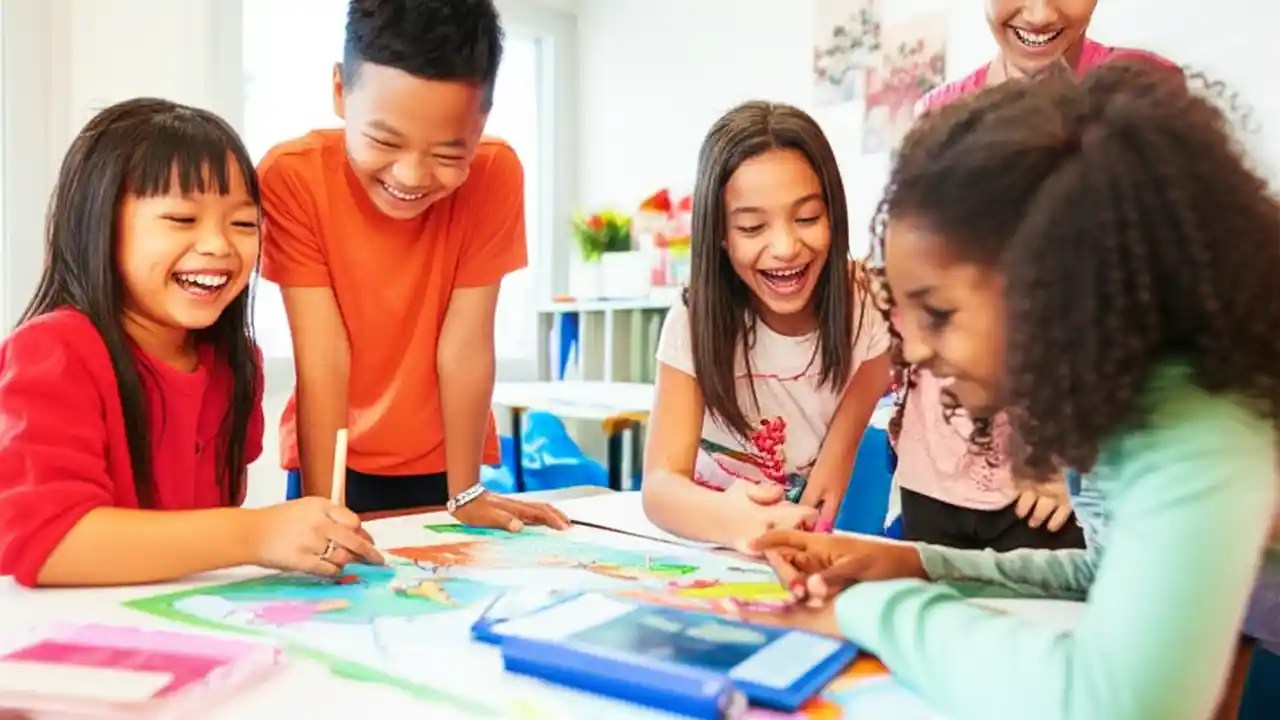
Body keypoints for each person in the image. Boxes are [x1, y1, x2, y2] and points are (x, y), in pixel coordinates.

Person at [749, 62, 1280, 719]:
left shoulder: (1198, 423)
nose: (914, 351)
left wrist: (866, 608)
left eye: (938, 313)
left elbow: (1114, 707)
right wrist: (911, 563)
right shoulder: (1127, 400)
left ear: (1050, 290)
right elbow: (1110, 570)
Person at [0, 98, 383, 587]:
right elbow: (46, 543)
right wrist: (256, 534)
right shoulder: (52, 352)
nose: (219, 245)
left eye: (243, 224)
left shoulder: (236, 364)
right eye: (182, 219)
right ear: (100, 223)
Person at [258, 0, 567, 528]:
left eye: (448, 154)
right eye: (385, 141)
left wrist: (465, 492)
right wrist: (323, 508)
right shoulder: (292, 177)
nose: (412, 175)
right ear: (340, 92)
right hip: (334, 461)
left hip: (446, 461)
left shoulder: (495, 174)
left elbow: (465, 347)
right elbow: (323, 358)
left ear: (481, 123)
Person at [890, 0, 1180, 551]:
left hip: (1060, 476)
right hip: (941, 467)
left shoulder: (1140, 92)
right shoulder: (938, 113)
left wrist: (1084, 461)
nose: (1041, 14)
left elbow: (1161, 293)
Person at [641, 101, 891, 545]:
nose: (785, 247)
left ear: (833, 214)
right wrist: (732, 522)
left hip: (790, 541)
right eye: (753, 227)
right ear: (720, 234)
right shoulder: (695, 318)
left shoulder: (866, 307)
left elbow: (831, 475)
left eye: (807, 218)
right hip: (711, 539)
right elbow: (660, 488)